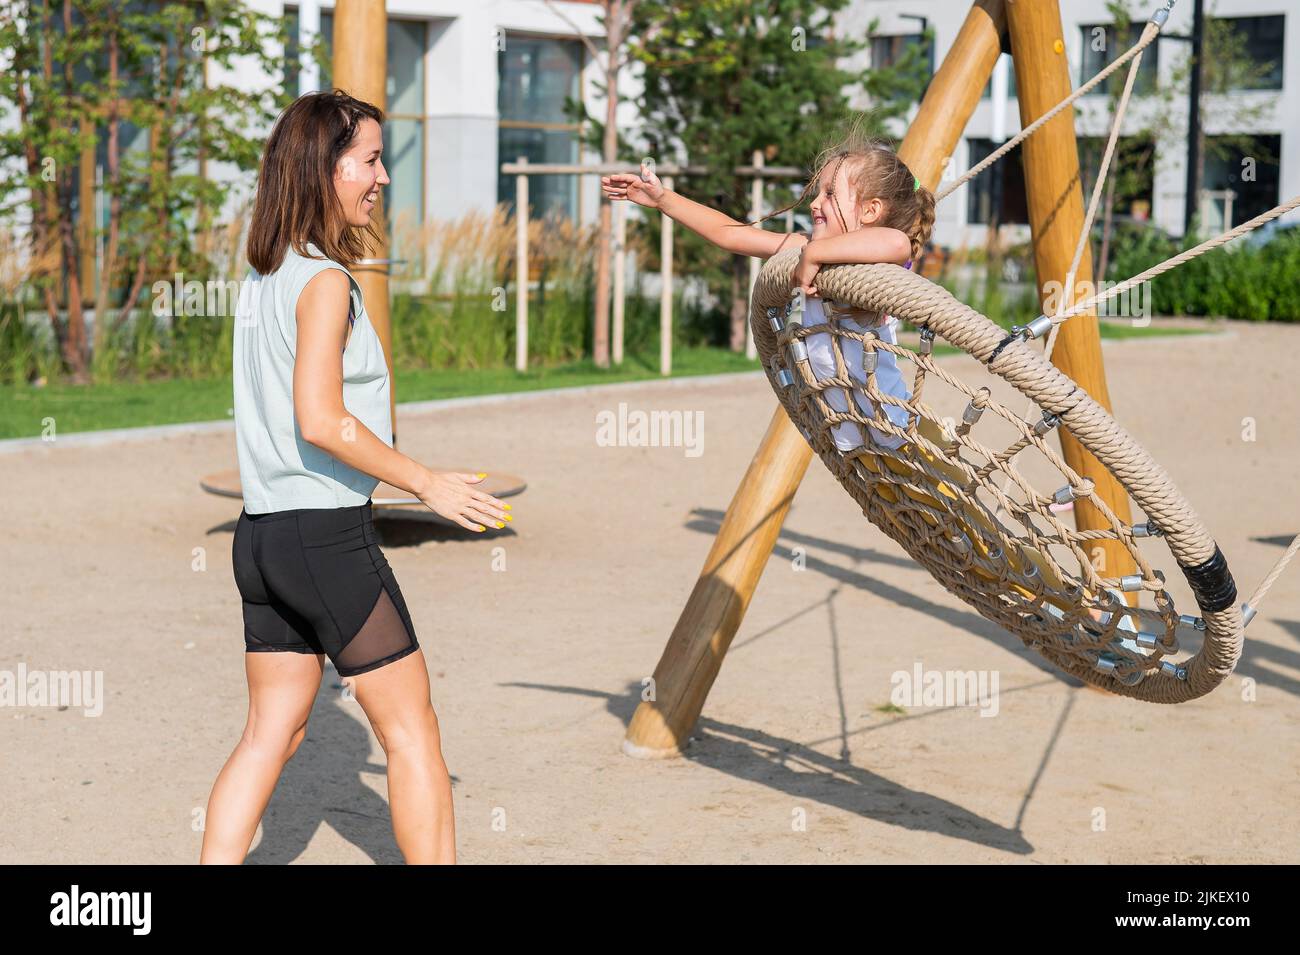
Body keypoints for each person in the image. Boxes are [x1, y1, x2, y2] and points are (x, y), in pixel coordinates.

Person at [201, 89, 511, 865]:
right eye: (368, 160)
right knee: (414, 732)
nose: (380, 176)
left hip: (263, 538)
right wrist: (424, 482)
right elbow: (322, 418)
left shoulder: (267, 275)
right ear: (324, 169)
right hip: (324, 537)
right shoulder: (325, 282)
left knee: (273, 733)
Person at [601, 129, 934, 452]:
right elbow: (731, 235)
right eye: (817, 192)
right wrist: (664, 200)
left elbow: (898, 242)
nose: (815, 203)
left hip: (894, 431)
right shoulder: (803, 246)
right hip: (851, 438)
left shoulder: (876, 264)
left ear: (870, 210)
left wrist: (814, 254)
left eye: (830, 194)